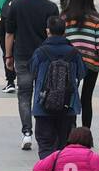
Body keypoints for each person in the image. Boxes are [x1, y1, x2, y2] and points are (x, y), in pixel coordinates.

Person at [5, 0, 60, 151]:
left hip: (22, 56)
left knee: (24, 94)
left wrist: (8, 56)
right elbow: (55, 33)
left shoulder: (16, 5)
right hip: (45, 57)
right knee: (44, 94)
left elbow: (10, 33)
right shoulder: (51, 8)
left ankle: (27, 133)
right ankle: (45, 131)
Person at [29, 15, 85, 157]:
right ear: (64, 31)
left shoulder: (40, 52)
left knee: (46, 144)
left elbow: (32, 71)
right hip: (68, 106)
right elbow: (81, 74)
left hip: (43, 106)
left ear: (48, 31)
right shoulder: (74, 53)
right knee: (65, 145)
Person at [62, 0, 99, 130]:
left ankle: (72, 131)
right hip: (91, 63)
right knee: (86, 98)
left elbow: (62, 38)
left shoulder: (65, 16)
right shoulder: (95, 17)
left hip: (70, 63)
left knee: (70, 96)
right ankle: (86, 132)